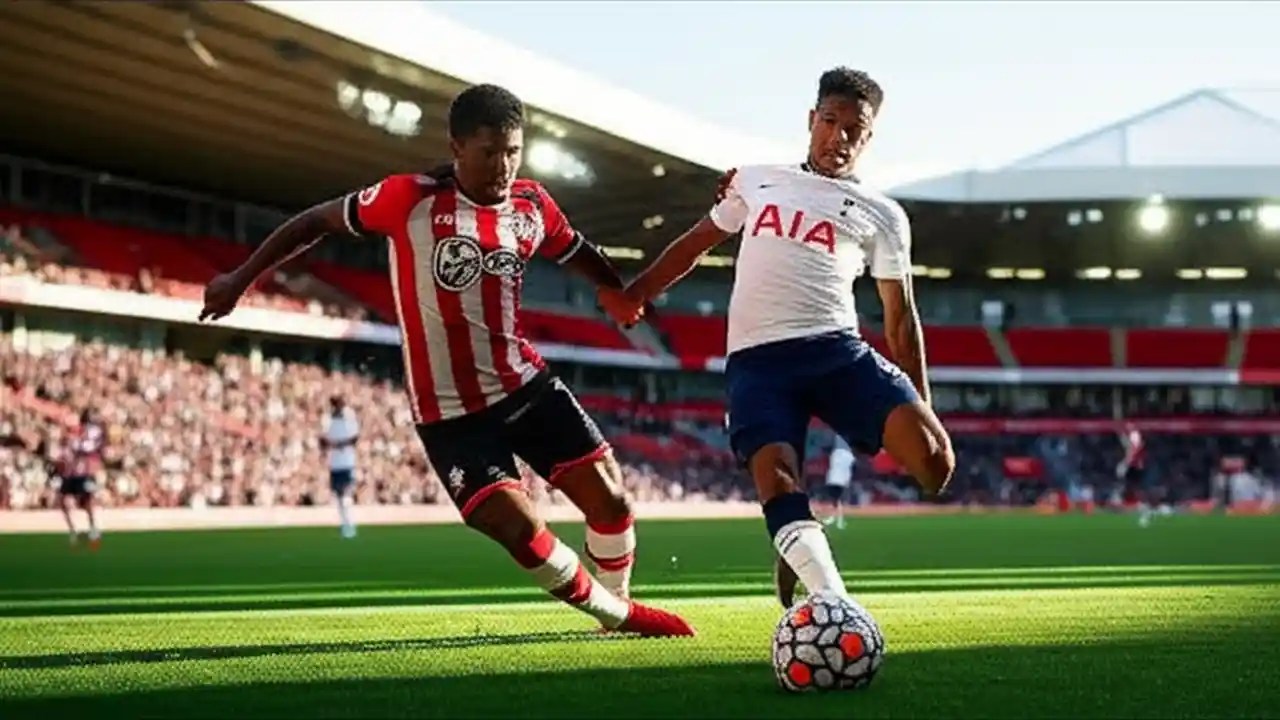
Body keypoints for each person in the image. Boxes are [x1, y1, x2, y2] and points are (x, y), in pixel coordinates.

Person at [199, 83, 691, 637]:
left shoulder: (531, 205)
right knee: (516, 525)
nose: (503, 166)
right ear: (457, 147)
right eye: (489, 152)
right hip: (449, 413)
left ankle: (616, 610)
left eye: (513, 151)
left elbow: (575, 249)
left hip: (523, 384)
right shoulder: (408, 198)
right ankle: (621, 615)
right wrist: (240, 280)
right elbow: (313, 221)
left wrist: (615, 291)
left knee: (613, 500)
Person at [598, 67, 955, 609]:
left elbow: (900, 318)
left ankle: (800, 537)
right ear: (811, 120)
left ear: (869, 137)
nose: (839, 137)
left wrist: (919, 404)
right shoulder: (755, 180)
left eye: (853, 129)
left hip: (837, 352)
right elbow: (697, 242)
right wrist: (637, 293)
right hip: (759, 364)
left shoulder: (885, 215)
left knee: (936, 464)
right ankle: (833, 602)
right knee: (781, 484)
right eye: (830, 121)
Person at [58, 408, 104, 549]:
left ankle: (93, 528)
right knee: (63, 501)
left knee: (87, 501)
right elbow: (64, 452)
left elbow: (87, 448)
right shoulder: (69, 437)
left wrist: (75, 443)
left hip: (83, 473)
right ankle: (73, 530)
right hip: (70, 473)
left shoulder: (90, 434)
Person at [322, 394, 360, 539]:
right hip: (334, 463)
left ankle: (350, 524)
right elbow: (323, 438)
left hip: (346, 462)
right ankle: (344, 523)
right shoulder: (328, 419)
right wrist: (332, 445)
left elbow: (355, 438)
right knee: (338, 496)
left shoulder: (349, 417)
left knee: (345, 494)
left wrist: (339, 444)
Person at [821, 436, 855, 530]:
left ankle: (838, 519)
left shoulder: (844, 453)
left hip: (841, 467)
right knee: (835, 498)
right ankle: (836, 518)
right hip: (837, 469)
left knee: (838, 498)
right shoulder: (841, 452)